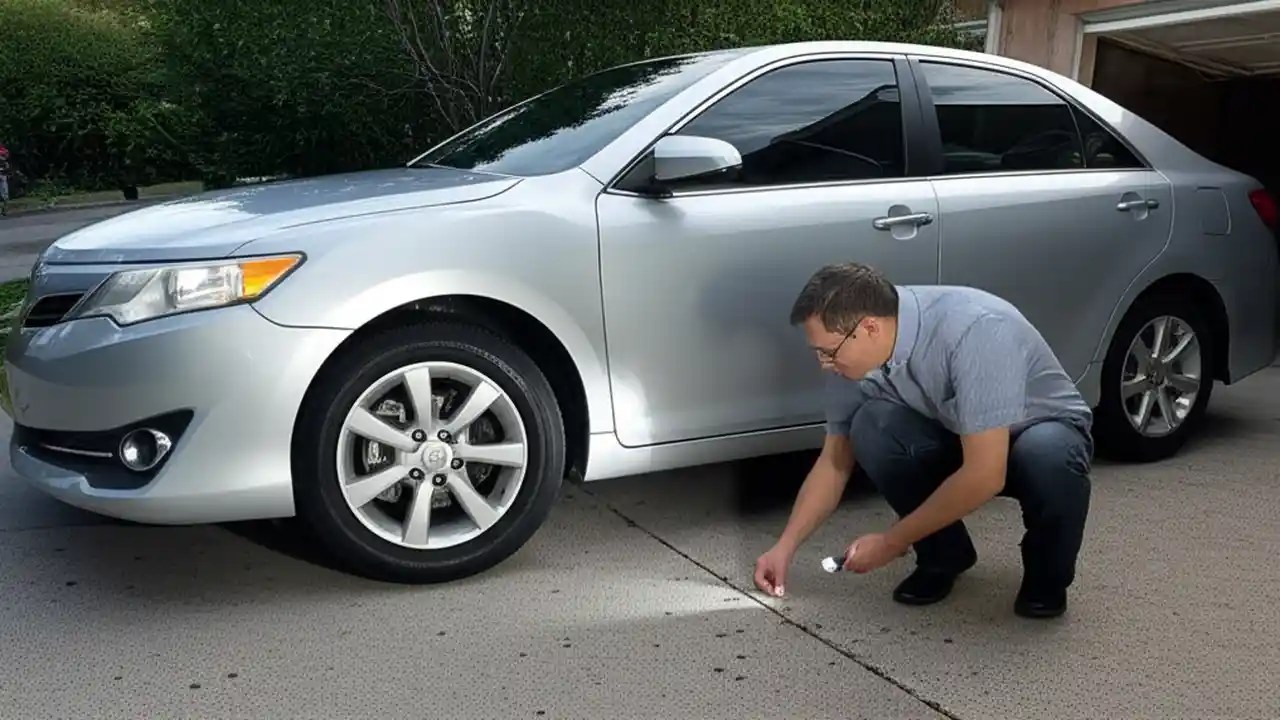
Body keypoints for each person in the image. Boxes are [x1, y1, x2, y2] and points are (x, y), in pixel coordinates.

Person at [753, 262, 1093, 619]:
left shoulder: (975, 331)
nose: (825, 364)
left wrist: (891, 542)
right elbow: (835, 462)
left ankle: (1046, 576)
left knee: (1048, 455)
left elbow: (986, 474)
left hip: (1038, 432)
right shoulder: (851, 353)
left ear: (868, 328)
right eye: (818, 352)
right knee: (873, 426)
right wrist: (784, 547)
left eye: (829, 352)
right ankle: (944, 554)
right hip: (963, 436)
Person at [0, 145, 10, 217]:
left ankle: (4, 210)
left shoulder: (3, 149)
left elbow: (6, 155)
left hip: (3, 176)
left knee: (4, 194)